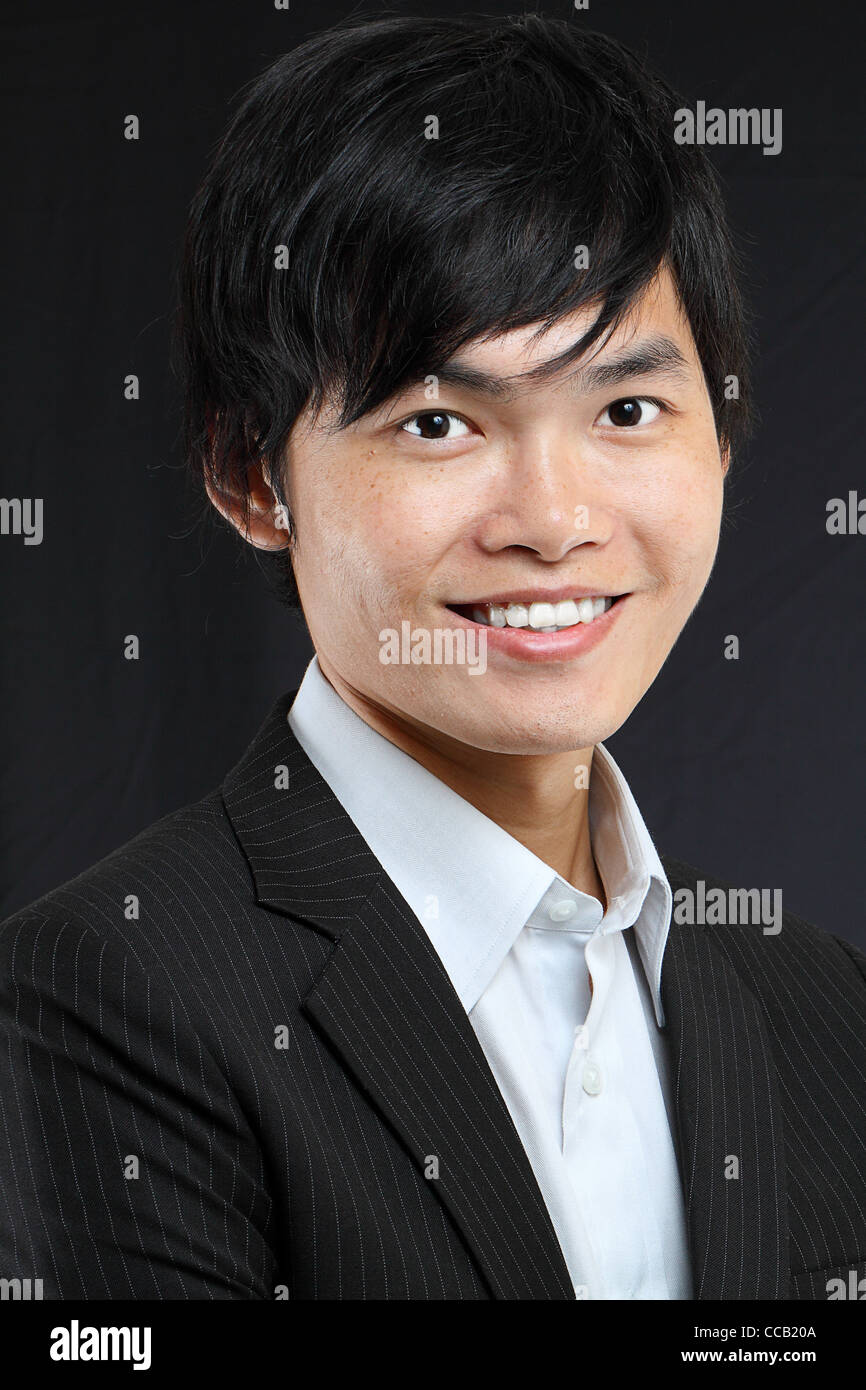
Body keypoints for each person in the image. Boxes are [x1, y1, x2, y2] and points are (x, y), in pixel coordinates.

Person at [1, 13, 864, 1301]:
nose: (557, 522)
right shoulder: (102, 1003)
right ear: (251, 474)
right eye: (440, 422)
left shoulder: (818, 1004)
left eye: (628, 410)